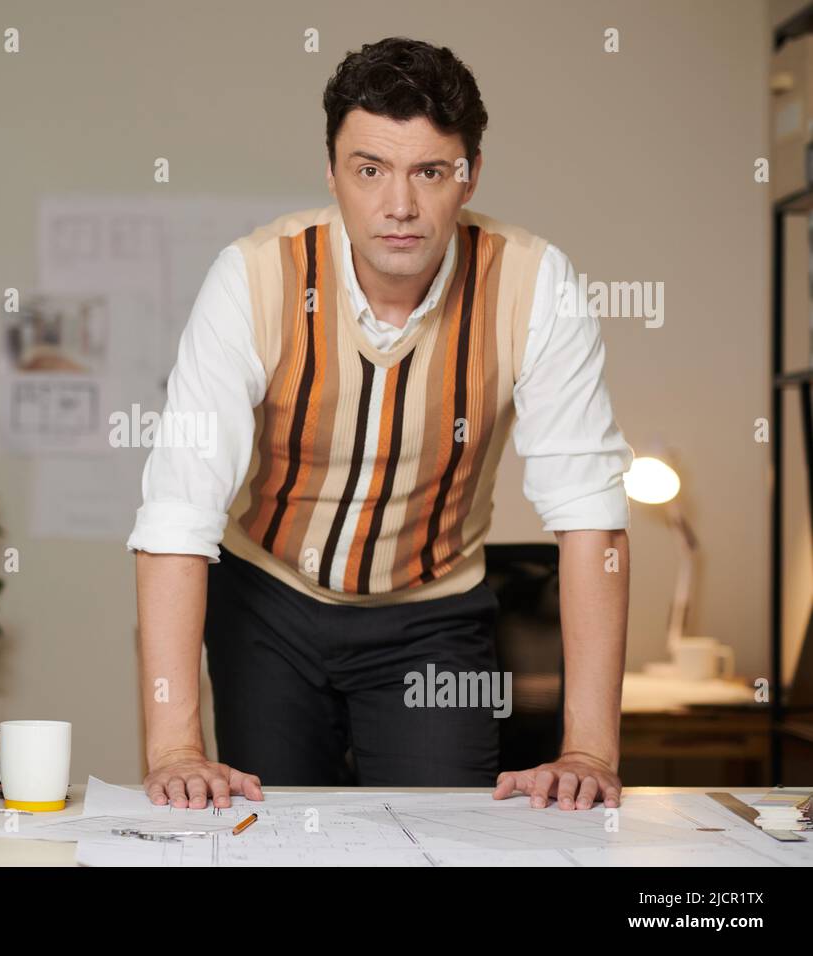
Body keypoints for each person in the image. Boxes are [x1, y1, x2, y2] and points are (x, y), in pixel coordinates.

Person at [128, 37, 632, 813]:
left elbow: (589, 514)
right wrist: (173, 750)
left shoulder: (536, 284)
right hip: (268, 603)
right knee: (271, 835)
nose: (400, 206)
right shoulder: (254, 276)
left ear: (468, 178)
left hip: (432, 614)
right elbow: (177, 512)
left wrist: (590, 749)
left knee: (454, 836)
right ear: (332, 173)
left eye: (430, 171)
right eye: (370, 170)